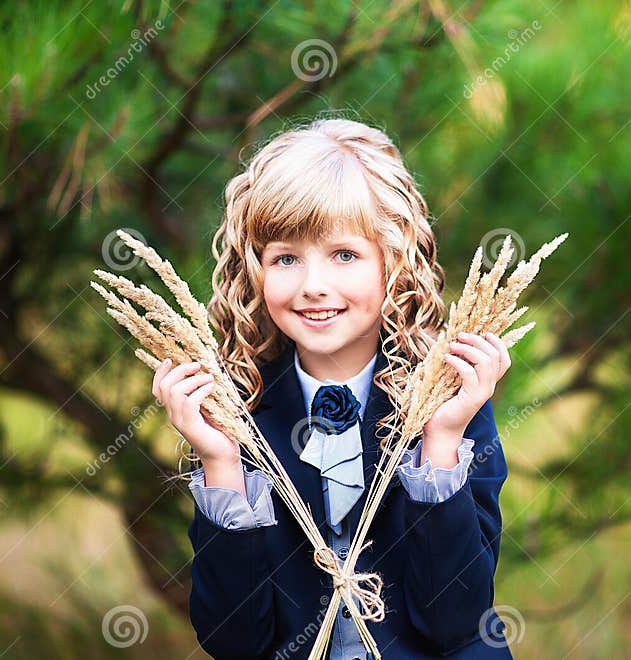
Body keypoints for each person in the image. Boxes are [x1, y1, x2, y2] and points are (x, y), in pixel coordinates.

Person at [152, 117, 513, 659]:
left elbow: (454, 620)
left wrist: (440, 444)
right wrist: (221, 465)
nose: (313, 286)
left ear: (394, 261)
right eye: (286, 258)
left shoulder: (449, 400)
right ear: (255, 270)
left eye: (344, 255)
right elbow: (233, 640)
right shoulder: (238, 410)